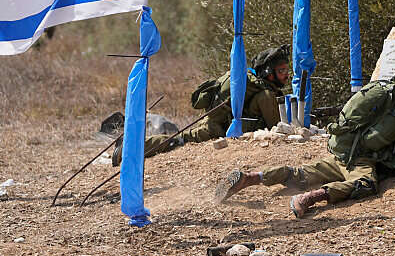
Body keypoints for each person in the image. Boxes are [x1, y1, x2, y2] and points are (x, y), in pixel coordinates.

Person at [213, 65, 395, 218]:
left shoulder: (391, 95)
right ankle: (310, 198)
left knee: (300, 172)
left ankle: (253, 177)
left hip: (342, 149)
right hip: (361, 159)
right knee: (365, 184)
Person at [111, 45, 291, 166]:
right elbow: (275, 128)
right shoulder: (265, 93)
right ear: (268, 72)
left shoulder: (257, 88)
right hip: (214, 128)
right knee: (176, 141)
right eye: (281, 70)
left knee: (177, 138)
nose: (286, 75)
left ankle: (130, 145)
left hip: (217, 124)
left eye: (286, 70)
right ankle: (127, 149)